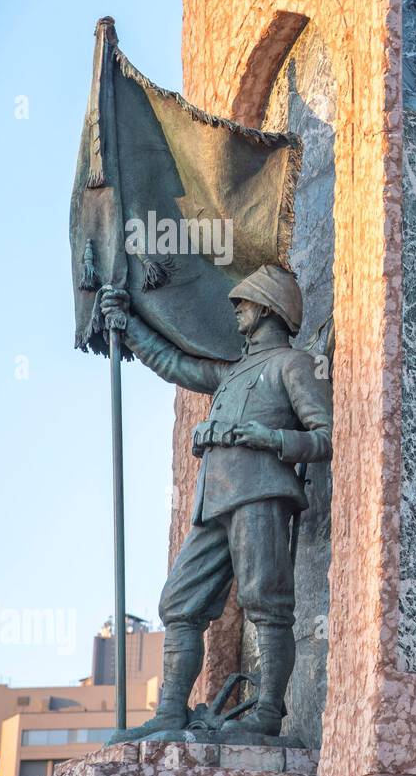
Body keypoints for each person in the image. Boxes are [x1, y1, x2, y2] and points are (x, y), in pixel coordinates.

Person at [98, 266, 332, 738]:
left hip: (260, 493)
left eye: (244, 302)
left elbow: (326, 436)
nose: (236, 309)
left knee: (266, 604)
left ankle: (267, 714)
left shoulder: (293, 365)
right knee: (180, 603)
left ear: (268, 308)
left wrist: (271, 438)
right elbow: (173, 364)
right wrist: (127, 324)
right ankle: (170, 711)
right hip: (213, 502)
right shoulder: (230, 372)